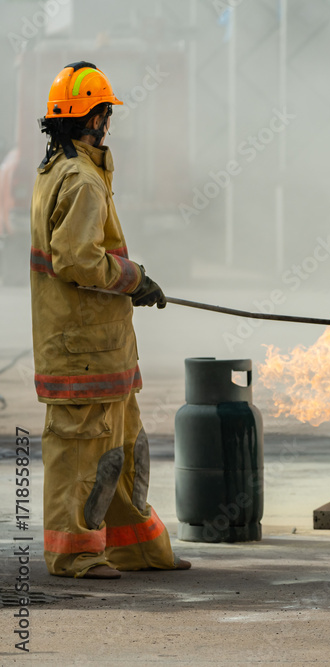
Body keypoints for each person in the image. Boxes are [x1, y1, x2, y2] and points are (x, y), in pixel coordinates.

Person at [30, 62, 189, 579]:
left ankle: (136, 548)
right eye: (106, 112)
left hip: (103, 347)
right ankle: (74, 553)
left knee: (121, 453)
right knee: (80, 460)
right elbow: (76, 259)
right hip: (81, 350)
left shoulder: (69, 168)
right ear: (93, 117)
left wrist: (130, 282)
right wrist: (133, 277)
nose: (109, 122)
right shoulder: (81, 180)